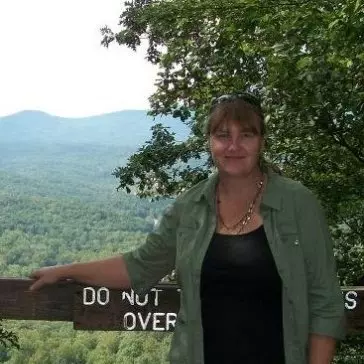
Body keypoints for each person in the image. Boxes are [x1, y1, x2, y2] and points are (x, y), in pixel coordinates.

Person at [29, 92, 346, 364]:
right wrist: (67, 270)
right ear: (209, 141)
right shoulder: (190, 208)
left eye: (246, 135)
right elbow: (140, 266)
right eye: (223, 135)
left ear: (261, 140)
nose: (233, 146)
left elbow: (325, 303)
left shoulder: (298, 204)